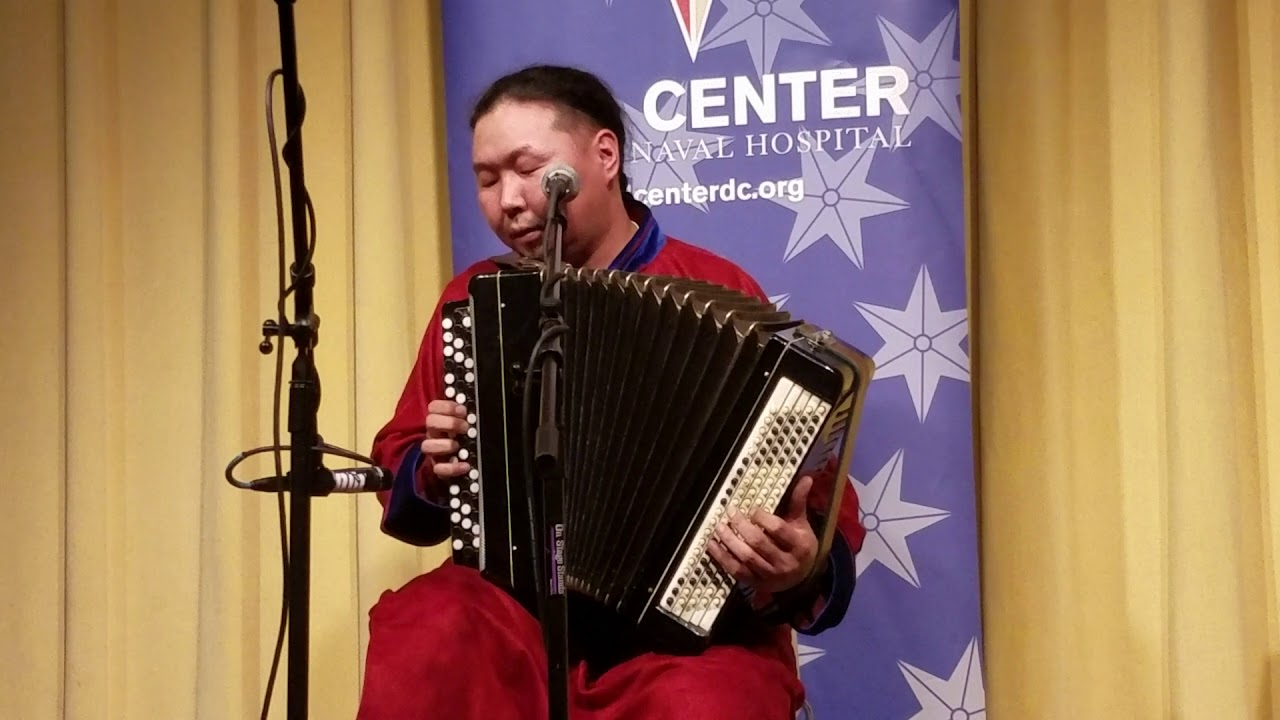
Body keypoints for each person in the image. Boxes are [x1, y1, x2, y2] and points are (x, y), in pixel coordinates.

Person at [357, 64, 866, 720]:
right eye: (487, 179)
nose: (508, 200)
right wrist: (431, 470)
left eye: (529, 168)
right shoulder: (474, 299)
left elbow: (817, 499)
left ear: (605, 156)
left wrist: (802, 567)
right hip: (514, 606)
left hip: (685, 628)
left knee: (712, 701)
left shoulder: (716, 289)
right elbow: (400, 458)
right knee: (428, 630)